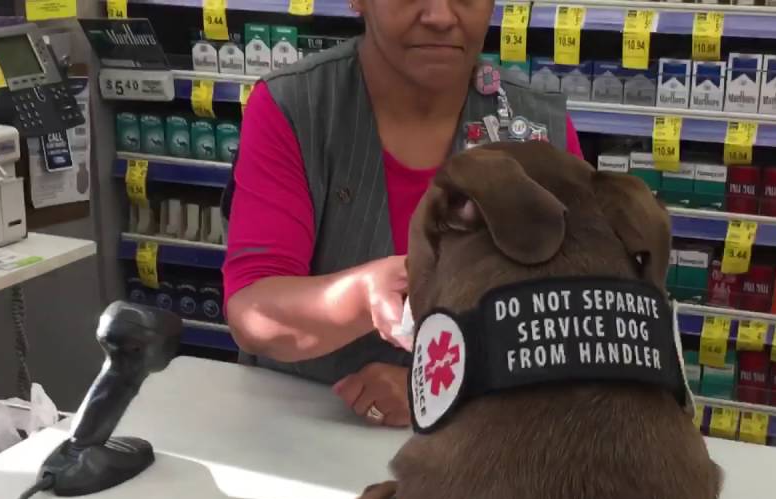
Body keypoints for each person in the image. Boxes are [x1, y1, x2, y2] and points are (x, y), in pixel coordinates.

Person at [223, 0, 584, 427]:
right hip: (304, 428)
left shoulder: (537, 131)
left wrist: (442, 387)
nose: (440, 16)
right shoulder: (295, 106)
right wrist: (362, 295)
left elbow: (574, 323)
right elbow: (254, 309)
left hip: (481, 445)